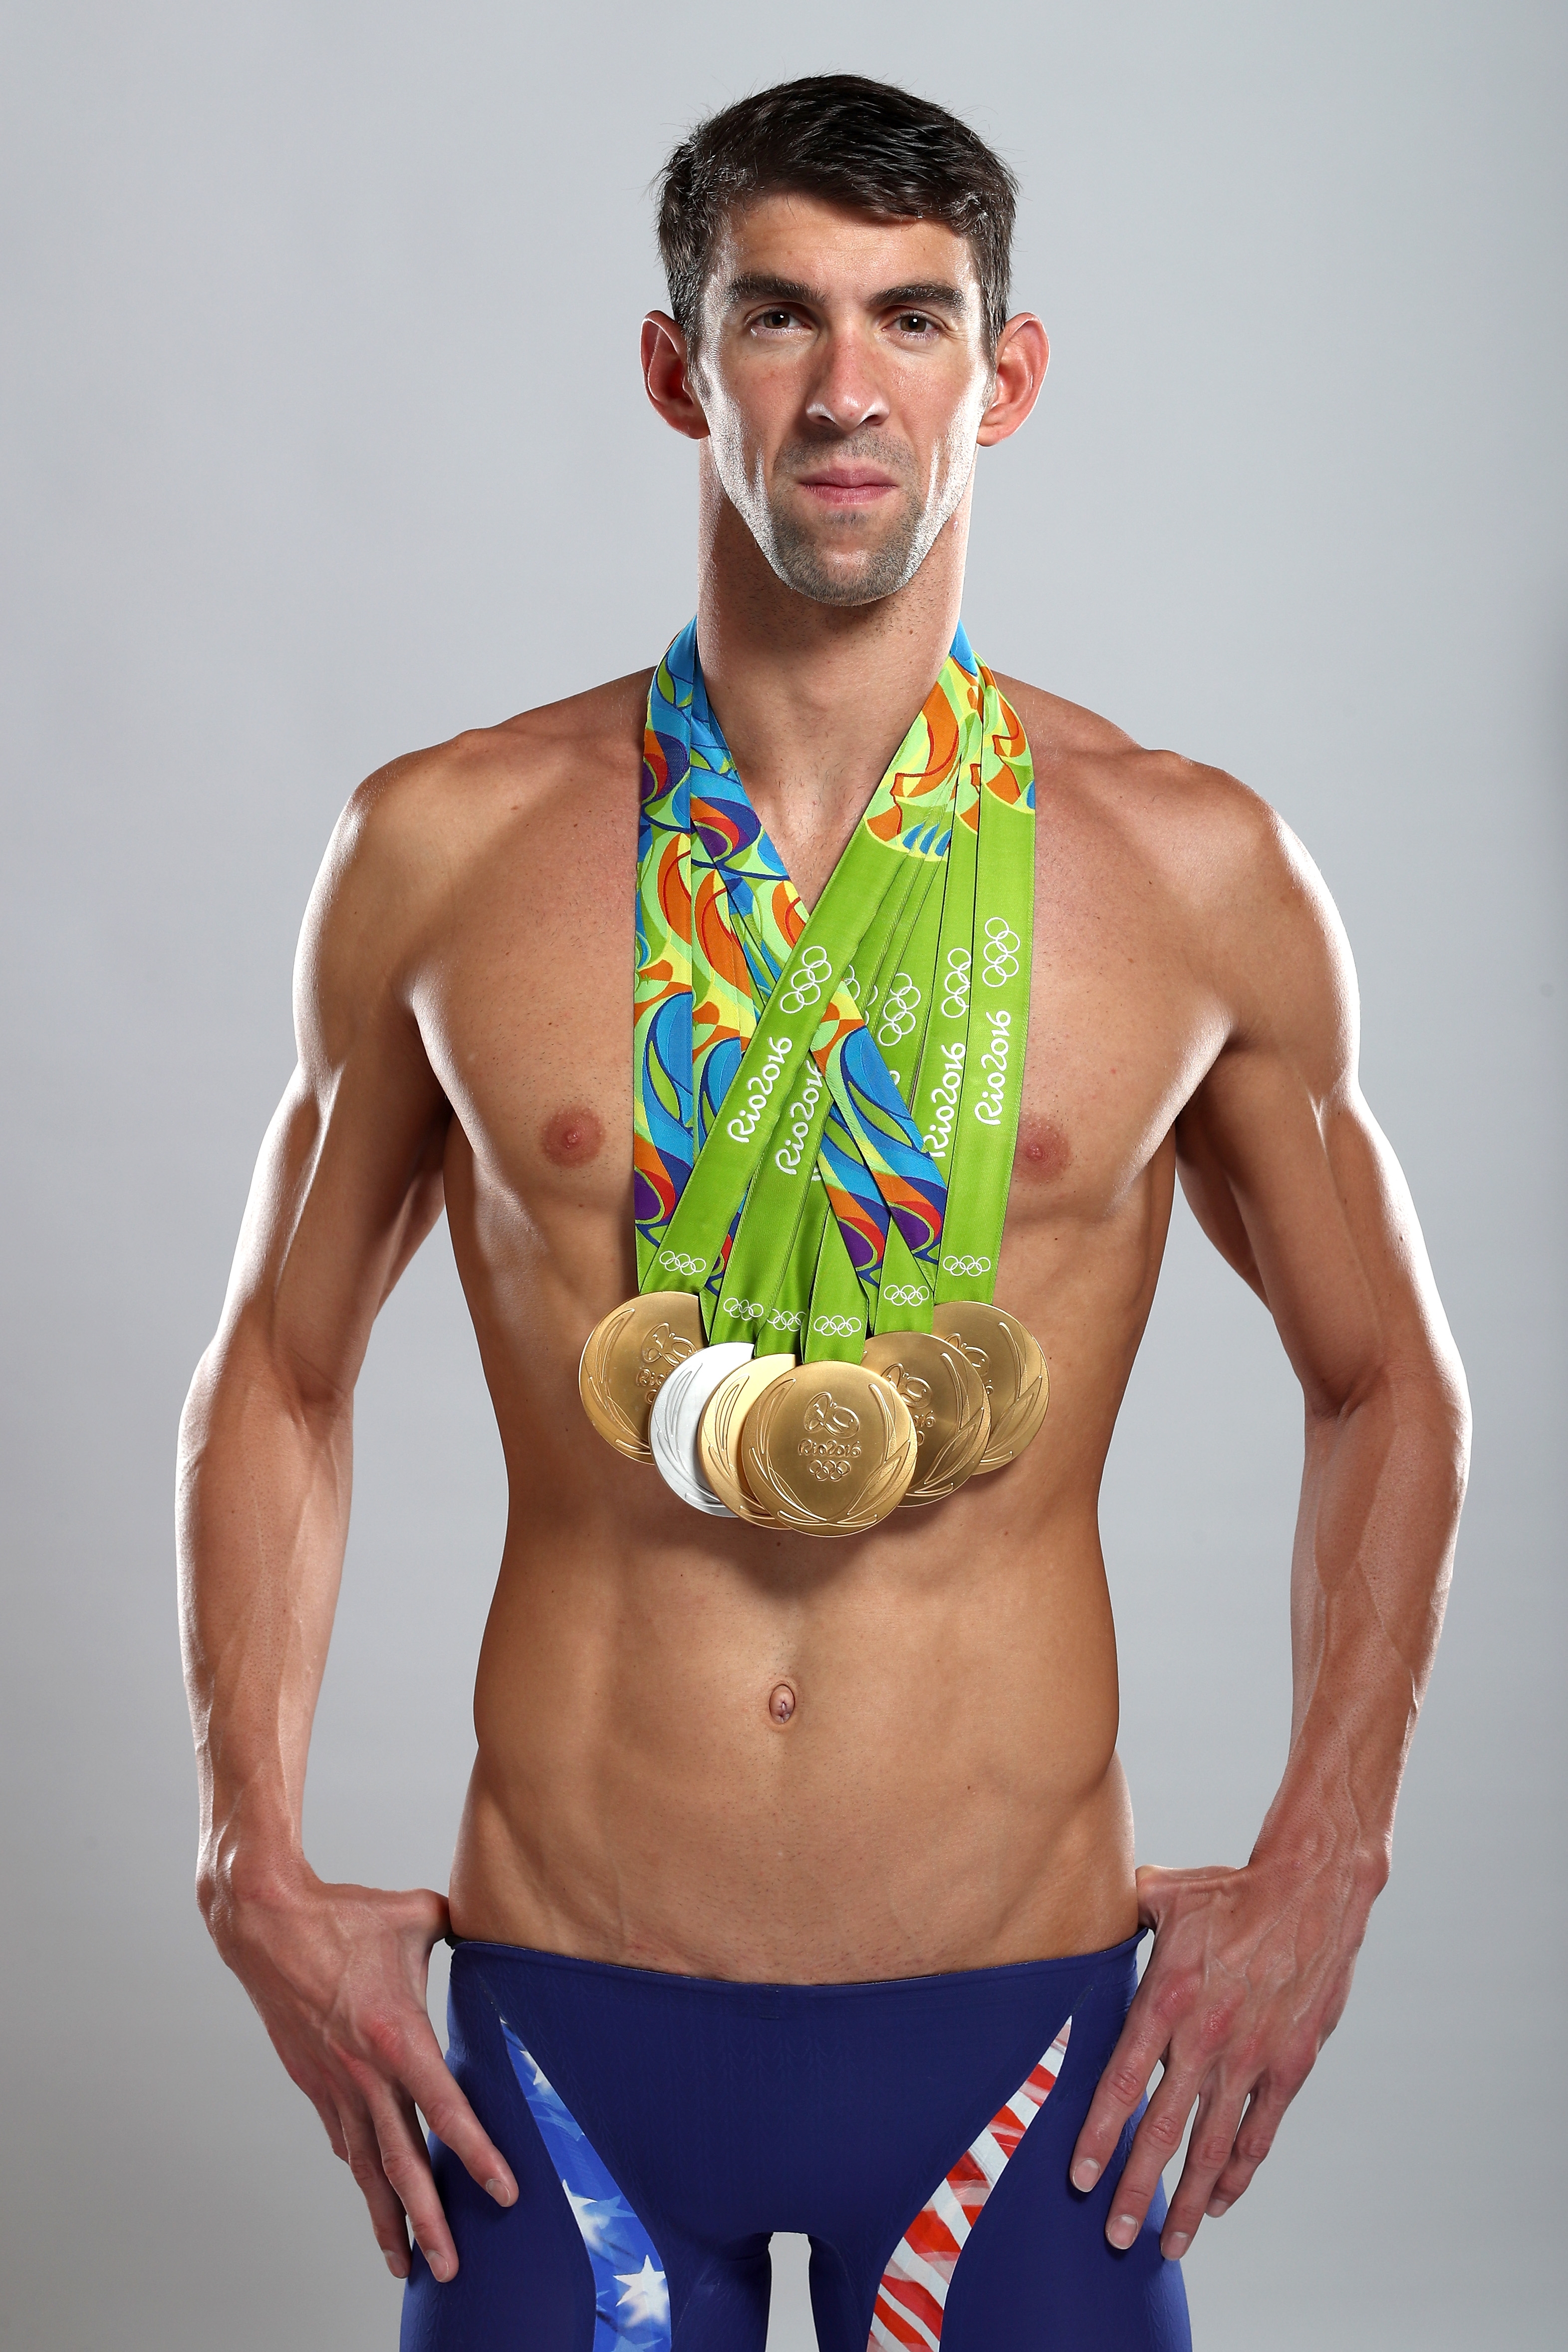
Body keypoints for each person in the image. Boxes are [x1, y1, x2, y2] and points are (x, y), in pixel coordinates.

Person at [176, 73, 1469, 2352]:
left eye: (912, 318)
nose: (847, 389)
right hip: (562, 2027)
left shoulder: (1190, 871)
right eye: (779, 317)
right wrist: (249, 1860)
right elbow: (278, 1369)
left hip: (1024, 2037)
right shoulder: (448, 849)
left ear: (1010, 370)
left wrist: (1326, 1865)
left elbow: (1388, 1377)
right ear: (681, 365)